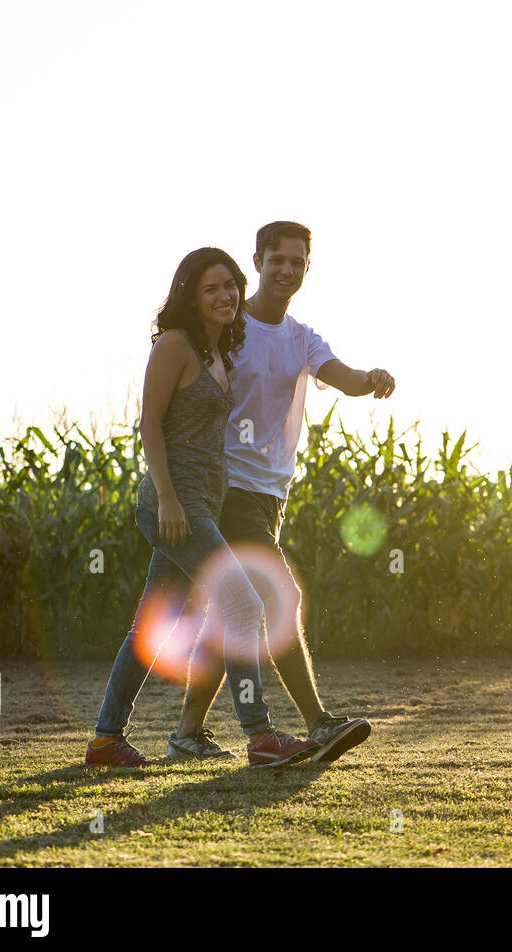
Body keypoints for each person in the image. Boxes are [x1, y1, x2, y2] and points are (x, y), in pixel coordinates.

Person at [166, 221, 394, 764]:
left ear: (307, 268)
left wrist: (370, 377)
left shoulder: (301, 338)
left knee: (232, 618)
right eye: (277, 261)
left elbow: (340, 374)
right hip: (229, 490)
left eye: (298, 262)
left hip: (271, 496)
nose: (287, 270)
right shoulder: (229, 329)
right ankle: (318, 724)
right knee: (279, 596)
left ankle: (185, 735)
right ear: (258, 263)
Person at [86, 247, 314, 768]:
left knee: (150, 629)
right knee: (244, 604)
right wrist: (167, 497)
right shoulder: (175, 345)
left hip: (202, 504)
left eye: (230, 286)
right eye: (210, 288)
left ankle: (105, 739)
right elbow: (149, 424)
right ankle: (260, 736)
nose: (224, 296)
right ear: (190, 295)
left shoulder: (219, 351)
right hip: (177, 504)